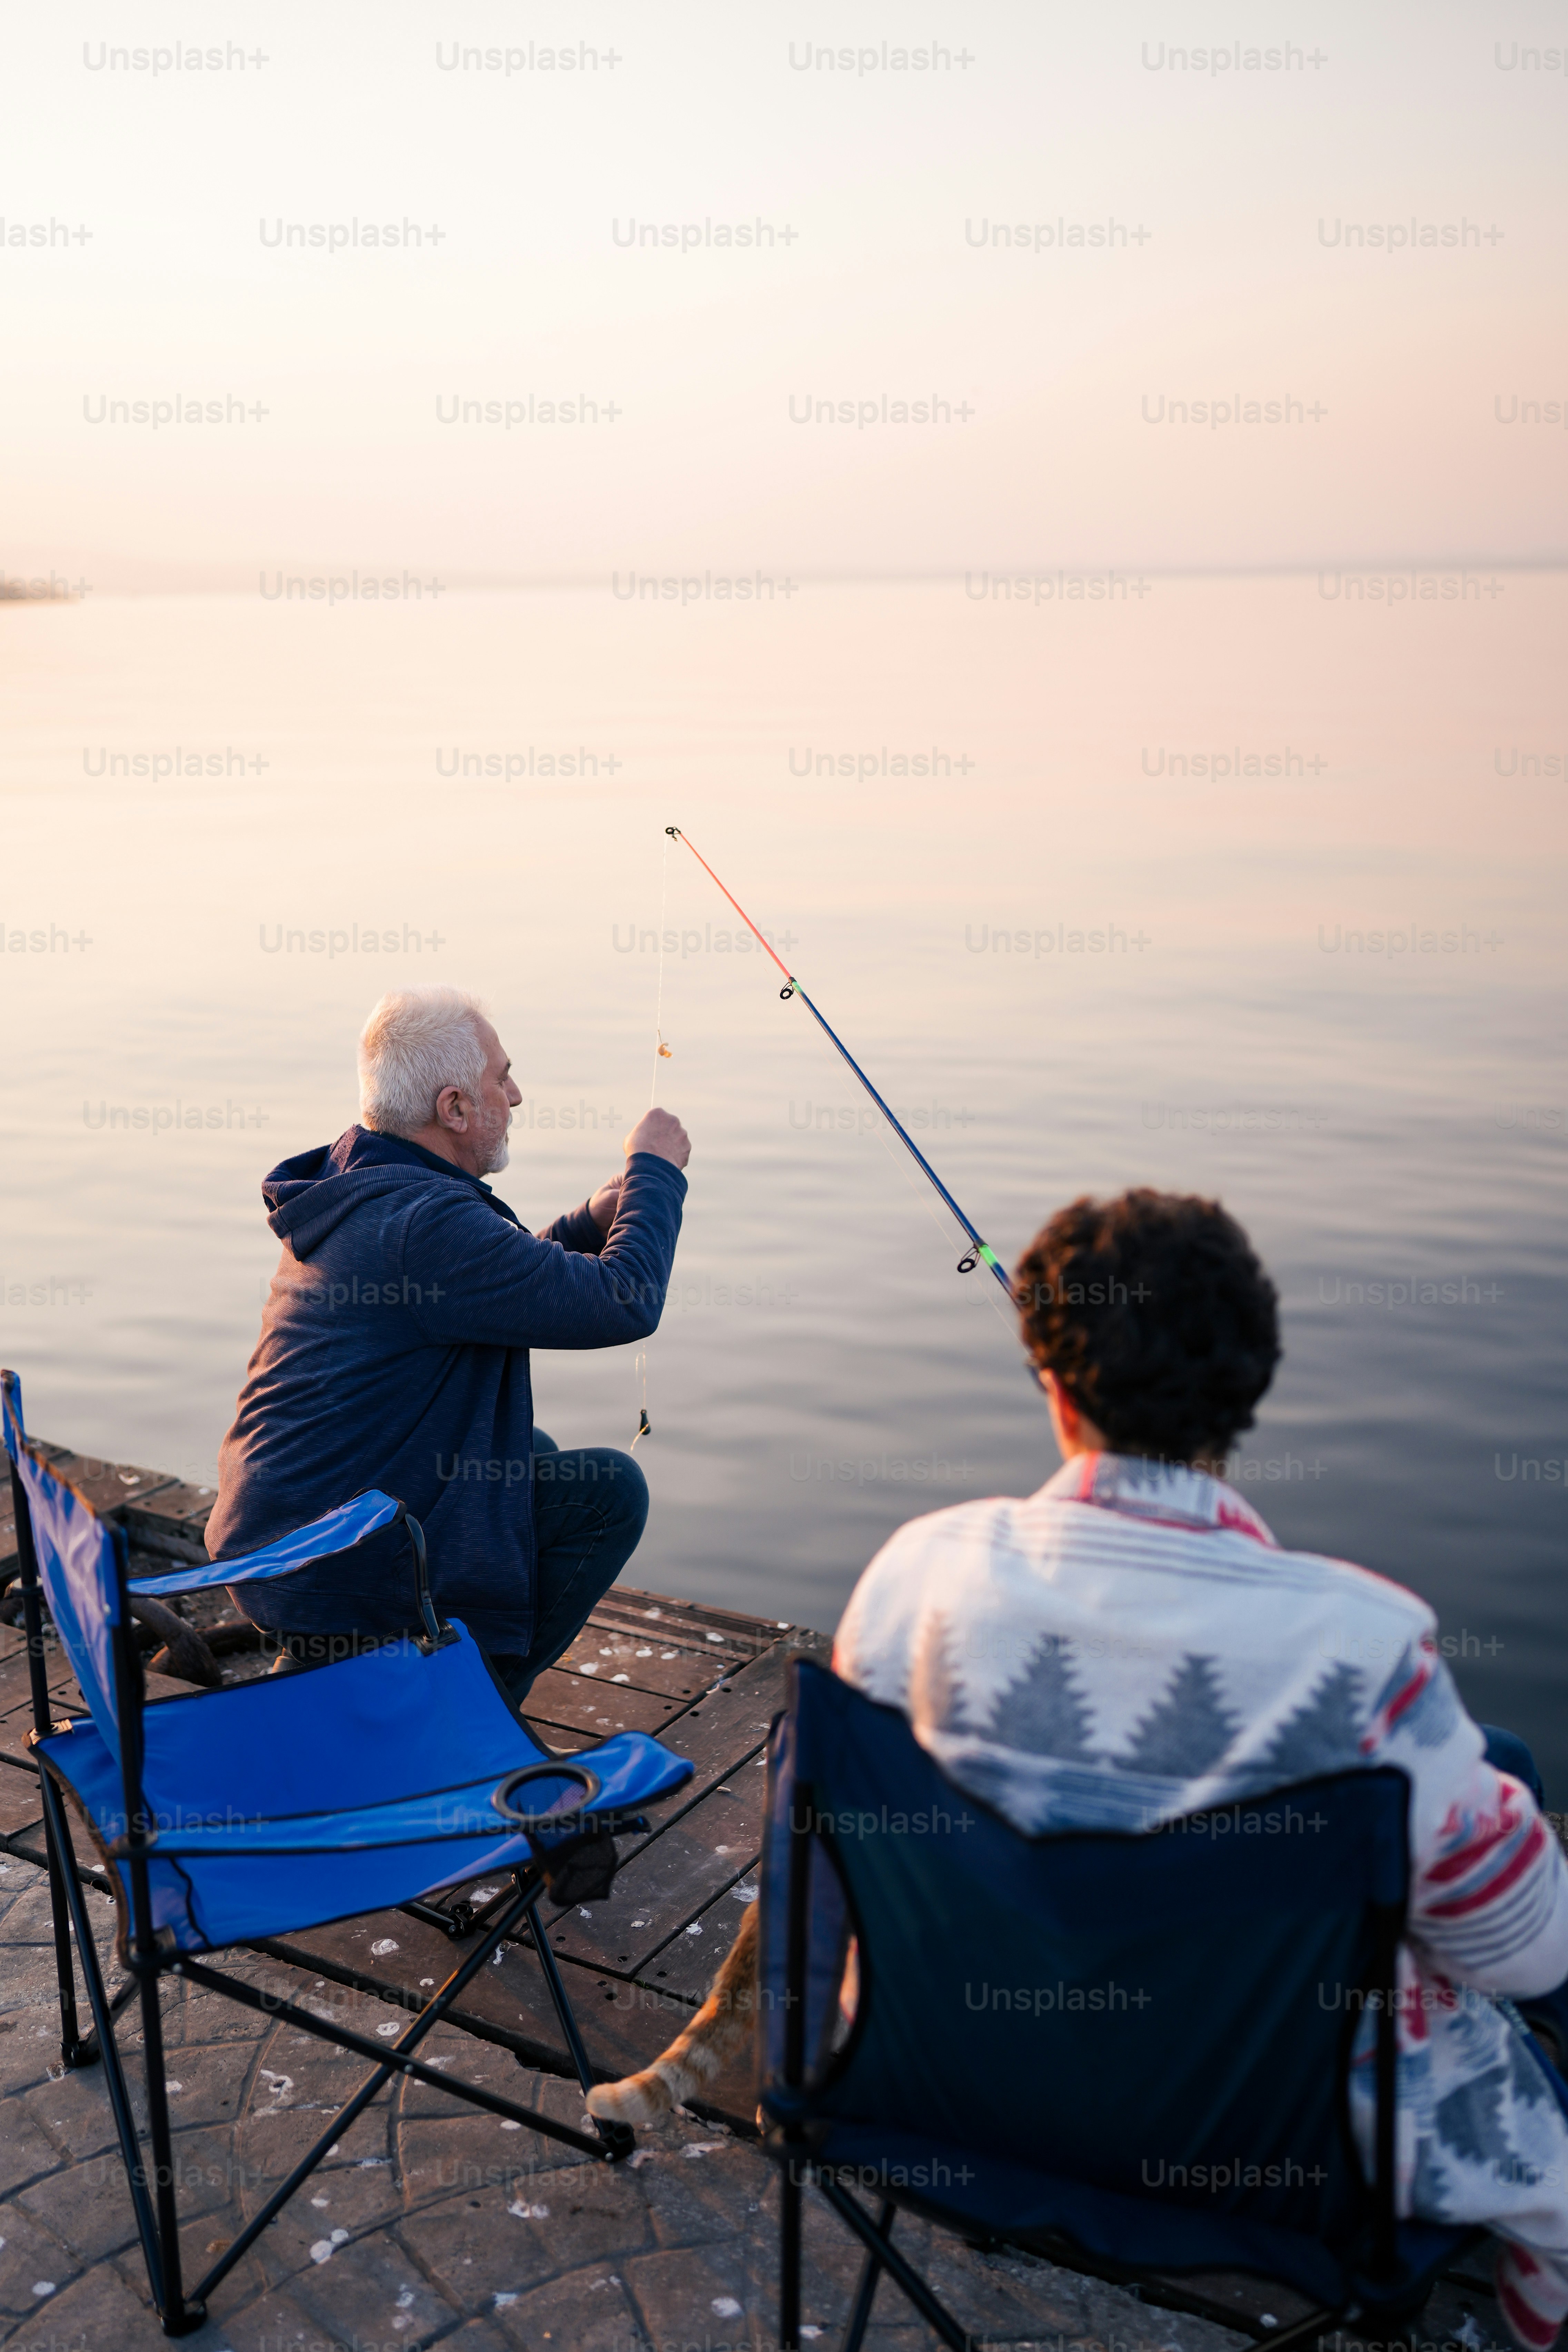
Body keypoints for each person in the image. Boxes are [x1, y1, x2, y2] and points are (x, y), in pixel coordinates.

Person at [588, 1188, 1568, 2352]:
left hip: (936, 2094)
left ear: (1050, 1381)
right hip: (1283, 2160)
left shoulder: (914, 1574)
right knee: (1491, 1842)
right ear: (1250, 1391)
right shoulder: (1365, 1649)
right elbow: (1525, 1952)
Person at [206, 984, 689, 1707]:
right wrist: (657, 1171)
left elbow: (493, 1278)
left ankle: (337, 1664)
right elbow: (623, 1301)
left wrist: (592, 1220)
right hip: (323, 1558)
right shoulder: (421, 1223)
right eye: (502, 1077)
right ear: (454, 1107)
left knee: (530, 1450)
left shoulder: (367, 1179)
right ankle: (462, 1714)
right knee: (607, 1494)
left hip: (285, 1532)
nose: (517, 1095)